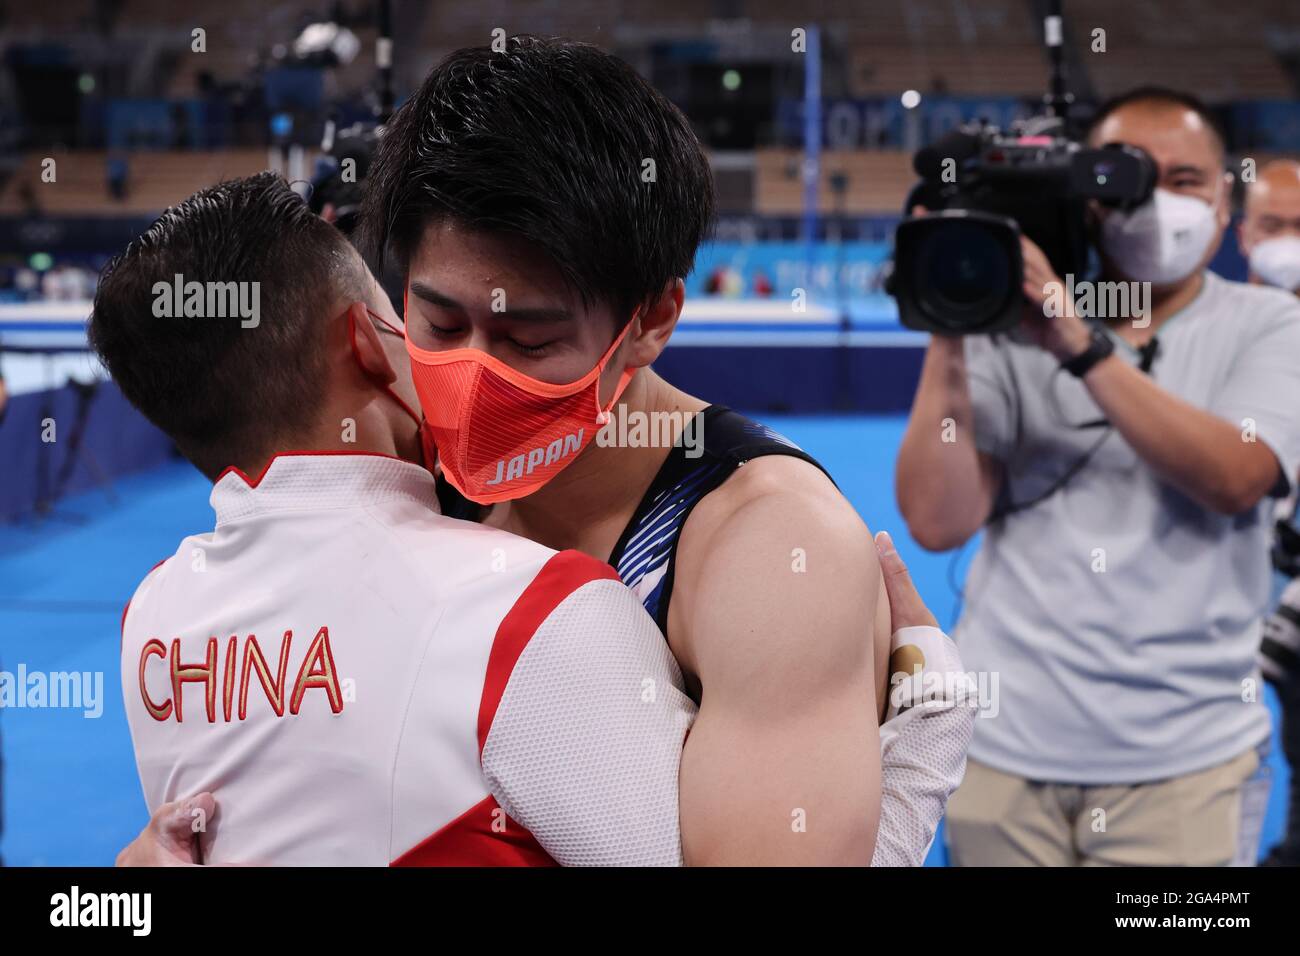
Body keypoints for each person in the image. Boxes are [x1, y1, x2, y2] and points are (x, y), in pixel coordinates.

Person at [118, 36, 974, 867]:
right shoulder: (402, 479)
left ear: (650, 320)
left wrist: (923, 753)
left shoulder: (770, 551)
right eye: (441, 323)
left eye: (529, 339)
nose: (473, 379)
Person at [897, 86, 1300, 866]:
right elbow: (939, 520)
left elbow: (1237, 476)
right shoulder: (1011, 326)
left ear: (1225, 207)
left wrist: (1077, 344)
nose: (1159, 201)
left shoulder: (1271, 324)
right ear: (1088, 197)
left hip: (1185, 762)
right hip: (1003, 750)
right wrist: (951, 318)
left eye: (1187, 181)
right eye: (1131, 175)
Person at [1240, 158, 1300, 866]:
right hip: (1201, 637)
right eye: (1274, 224)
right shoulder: (1199, 332)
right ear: (1244, 232)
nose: (1288, 241)